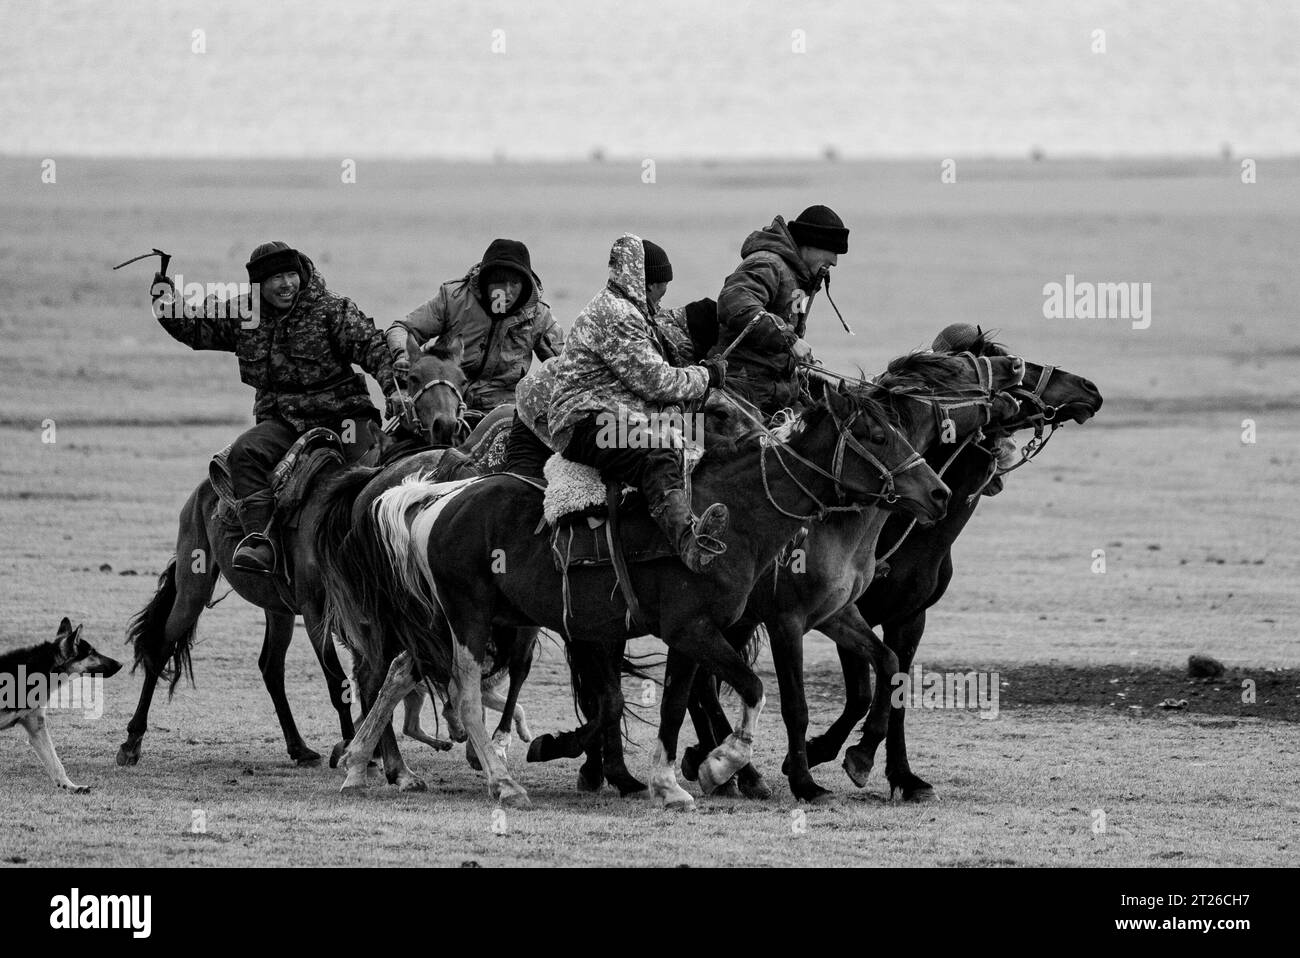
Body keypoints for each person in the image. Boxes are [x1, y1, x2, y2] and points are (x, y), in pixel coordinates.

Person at [150, 241, 396, 574]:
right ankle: (260, 540)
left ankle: (385, 547)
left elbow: (374, 348)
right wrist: (166, 301)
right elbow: (196, 329)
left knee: (365, 472)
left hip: (344, 417)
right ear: (259, 285)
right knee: (244, 452)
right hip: (283, 422)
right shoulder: (244, 314)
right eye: (275, 278)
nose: (285, 284)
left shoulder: (332, 310)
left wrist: (395, 391)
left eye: (291, 274)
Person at [514, 235, 729, 573]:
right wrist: (706, 376)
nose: (664, 293)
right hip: (585, 423)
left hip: (606, 415)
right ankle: (687, 542)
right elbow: (658, 383)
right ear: (644, 282)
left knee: (700, 434)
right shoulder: (618, 315)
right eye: (661, 285)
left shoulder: (627, 309)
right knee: (658, 449)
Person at [384, 239, 563, 432]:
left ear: (525, 285)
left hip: (503, 412)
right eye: (500, 282)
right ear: (486, 281)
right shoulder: (454, 299)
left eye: (515, 283)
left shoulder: (539, 316)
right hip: (445, 403)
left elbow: (566, 366)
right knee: (393, 449)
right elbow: (401, 329)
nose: (507, 291)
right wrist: (402, 356)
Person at [714, 204, 849, 413]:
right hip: (744, 393)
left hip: (778, 394)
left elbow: (783, 330)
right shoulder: (768, 264)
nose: (835, 261)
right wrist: (790, 339)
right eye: (831, 251)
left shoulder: (800, 279)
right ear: (810, 244)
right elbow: (734, 302)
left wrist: (800, 358)